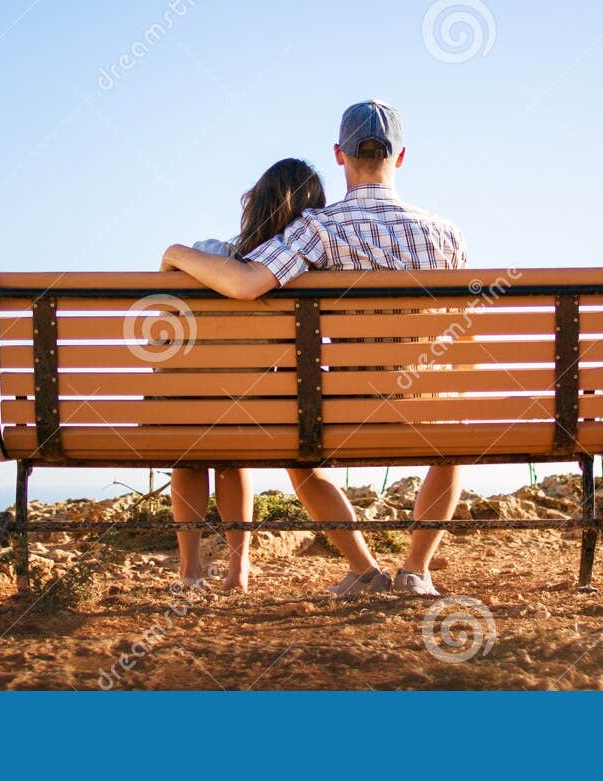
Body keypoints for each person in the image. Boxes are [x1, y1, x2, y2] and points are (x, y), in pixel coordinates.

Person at [162, 100, 466, 598]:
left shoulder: (319, 228)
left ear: (339, 155)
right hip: (429, 413)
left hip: (341, 414)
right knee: (449, 445)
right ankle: (415, 570)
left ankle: (365, 571)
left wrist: (176, 252)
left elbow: (245, 283)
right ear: (402, 157)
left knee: (302, 456)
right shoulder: (447, 235)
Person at [167, 157, 326, 592]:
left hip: (185, 411)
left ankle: (189, 572)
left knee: (190, 448)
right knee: (232, 450)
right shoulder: (307, 273)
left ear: (253, 204)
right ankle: (238, 572)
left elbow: (161, 305)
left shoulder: (211, 254)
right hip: (253, 415)